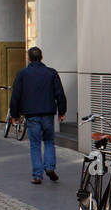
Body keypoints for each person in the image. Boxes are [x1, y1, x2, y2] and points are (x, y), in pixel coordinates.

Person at [9, 47, 67, 185]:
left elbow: (15, 95)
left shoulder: (22, 74)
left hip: (31, 114)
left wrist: (14, 114)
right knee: (49, 141)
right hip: (48, 113)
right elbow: (59, 93)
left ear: (29, 58)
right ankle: (49, 167)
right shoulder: (51, 73)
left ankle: (37, 175)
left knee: (35, 144)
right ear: (42, 57)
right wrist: (62, 111)